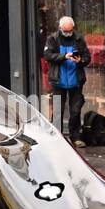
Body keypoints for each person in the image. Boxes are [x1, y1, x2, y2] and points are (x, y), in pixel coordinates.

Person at [42, 16, 91, 144]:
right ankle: (56, 138)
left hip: (76, 80)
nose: (68, 33)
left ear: (73, 28)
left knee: (75, 111)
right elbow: (47, 55)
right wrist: (64, 56)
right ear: (60, 28)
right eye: (65, 31)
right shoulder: (52, 39)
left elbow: (87, 57)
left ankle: (75, 137)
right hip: (58, 80)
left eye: (70, 31)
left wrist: (80, 60)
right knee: (58, 110)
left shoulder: (79, 39)